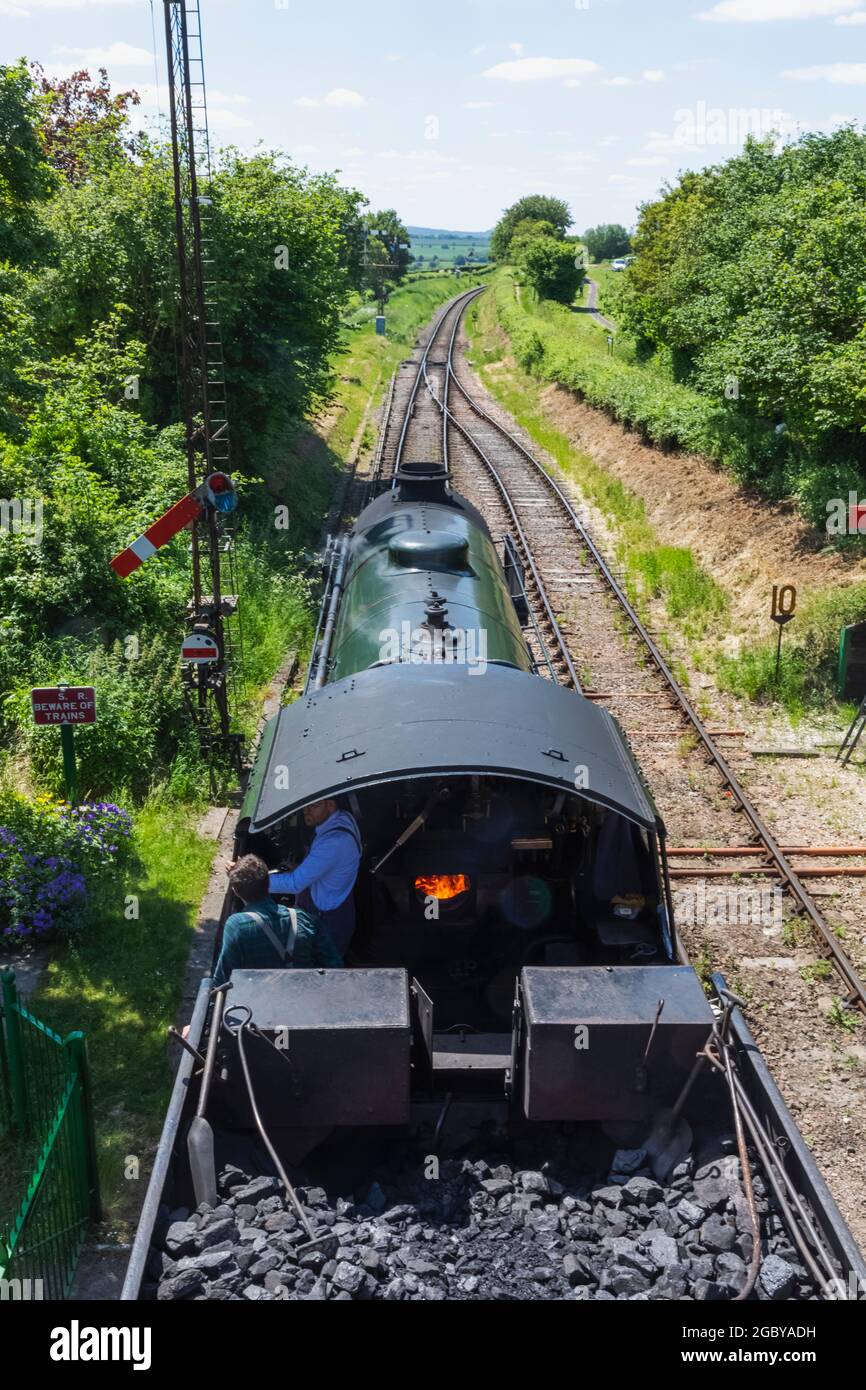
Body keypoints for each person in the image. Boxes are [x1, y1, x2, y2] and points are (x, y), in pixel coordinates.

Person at [213, 853, 342, 987]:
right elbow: (335, 966)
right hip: (305, 998)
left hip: (257, 1002)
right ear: (269, 883)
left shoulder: (237, 925)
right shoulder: (305, 919)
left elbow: (222, 979)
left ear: (235, 891)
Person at [267, 797, 361, 956]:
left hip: (328, 922)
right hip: (339, 906)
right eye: (306, 804)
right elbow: (329, 866)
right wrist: (304, 868)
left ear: (331, 805)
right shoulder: (343, 818)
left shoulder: (333, 842)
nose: (307, 810)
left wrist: (254, 879)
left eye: (314, 805)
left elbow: (295, 884)